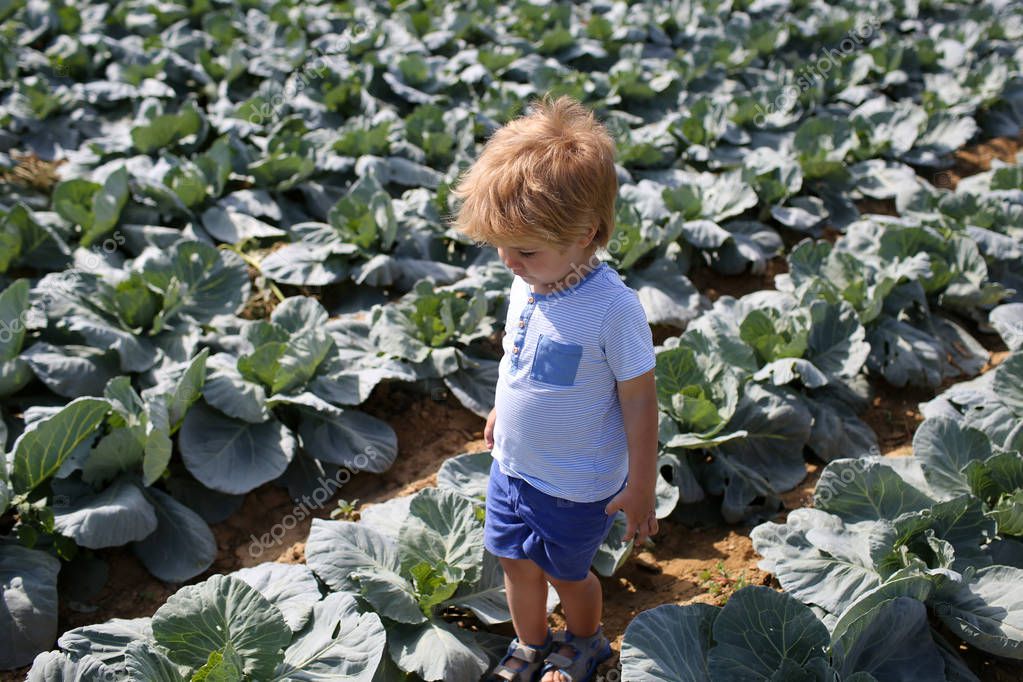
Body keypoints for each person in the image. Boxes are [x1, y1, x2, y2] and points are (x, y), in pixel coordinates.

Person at [450, 94, 659, 682]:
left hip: (573, 482)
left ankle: (586, 643)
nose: (508, 261)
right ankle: (528, 643)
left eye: (524, 249)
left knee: (569, 575)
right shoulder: (530, 281)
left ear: (588, 234)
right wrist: (499, 407)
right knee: (514, 563)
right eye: (501, 246)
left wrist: (641, 484)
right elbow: (520, 357)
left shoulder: (613, 309)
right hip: (512, 467)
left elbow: (640, 400)